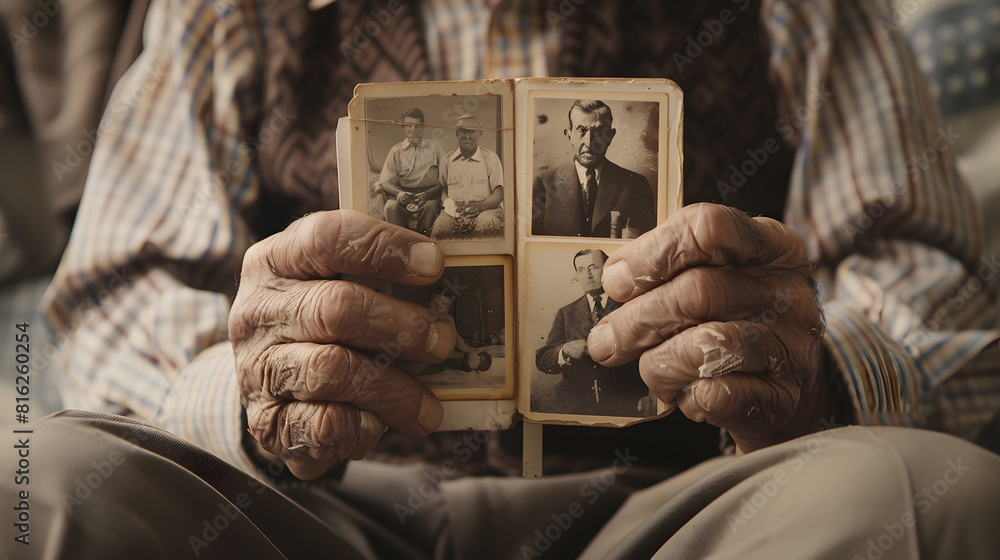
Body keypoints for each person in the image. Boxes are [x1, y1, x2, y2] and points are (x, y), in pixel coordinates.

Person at [29, 1, 1000, 558]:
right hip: (332, 517)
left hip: (692, 510)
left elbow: (939, 289)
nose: (589, 139)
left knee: (930, 499)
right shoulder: (230, 9)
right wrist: (253, 389)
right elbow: (116, 302)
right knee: (36, 488)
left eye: (598, 131)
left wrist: (816, 370)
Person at [535, 249, 651, 416]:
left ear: (608, 269)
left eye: (593, 267)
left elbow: (652, 349)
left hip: (626, 403)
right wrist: (564, 351)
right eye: (581, 270)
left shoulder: (631, 305)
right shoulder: (566, 313)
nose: (587, 275)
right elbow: (542, 360)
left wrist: (651, 394)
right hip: (575, 407)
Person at [531, 99, 656, 238]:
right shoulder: (543, 184)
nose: (589, 143)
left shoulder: (636, 185)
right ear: (569, 136)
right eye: (582, 130)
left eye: (599, 131)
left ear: (610, 136)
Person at [430, 114, 504, 239]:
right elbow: (443, 189)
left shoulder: (490, 158)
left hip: (486, 210)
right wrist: (451, 207)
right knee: (440, 229)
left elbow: (499, 193)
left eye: (472, 131)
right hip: (455, 211)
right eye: (463, 131)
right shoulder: (446, 160)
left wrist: (479, 207)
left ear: (480, 133)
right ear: (457, 134)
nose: (467, 136)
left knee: (488, 225)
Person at [375, 107, 444, 237]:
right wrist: (399, 193)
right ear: (403, 126)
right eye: (408, 125)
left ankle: (424, 242)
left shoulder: (435, 147)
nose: (412, 129)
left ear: (423, 126)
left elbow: (444, 180)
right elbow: (384, 181)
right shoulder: (396, 150)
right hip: (402, 195)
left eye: (416, 126)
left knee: (430, 209)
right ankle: (400, 242)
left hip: (429, 196)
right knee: (391, 208)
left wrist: (428, 194)